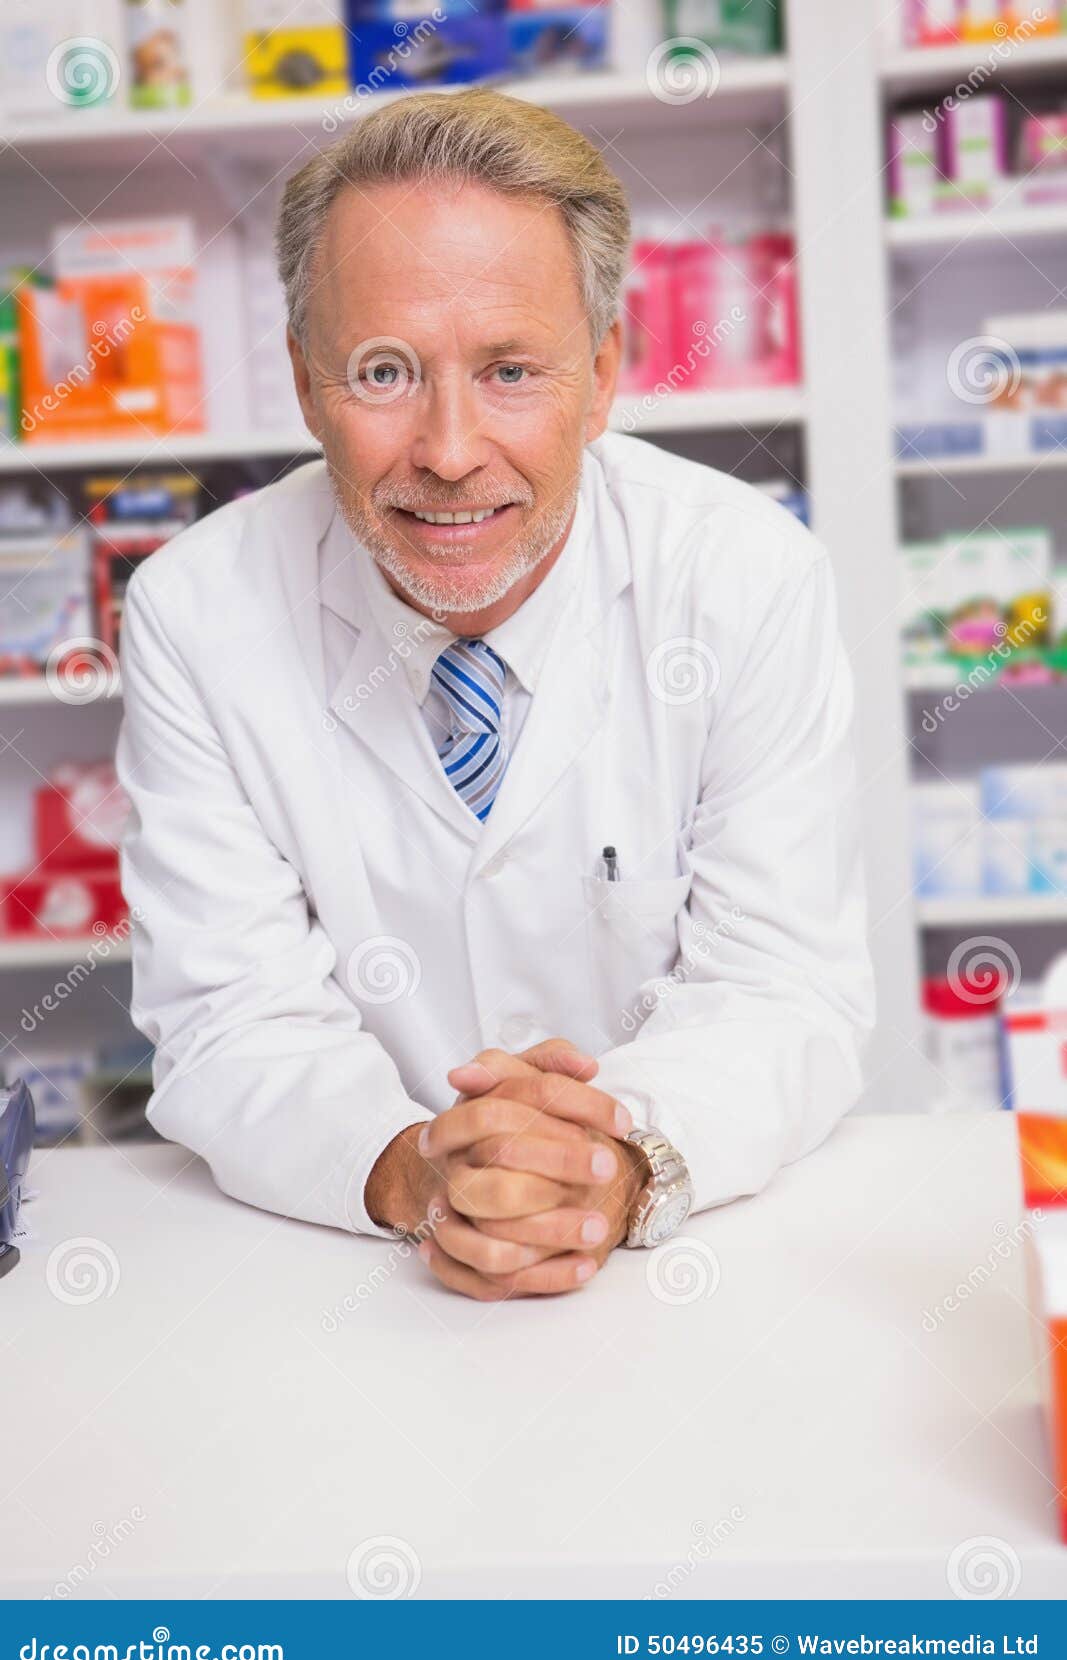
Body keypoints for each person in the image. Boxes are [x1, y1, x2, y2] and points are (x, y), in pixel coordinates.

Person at [116, 88, 875, 1302]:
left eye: (512, 369)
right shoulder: (196, 612)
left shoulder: (744, 575)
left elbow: (783, 987)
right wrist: (416, 1170)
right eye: (383, 372)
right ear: (307, 384)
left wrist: (610, 1165)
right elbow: (227, 1018)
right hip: (348, 1285)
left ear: (604, 374)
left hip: (694, 1270)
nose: (452, 448)